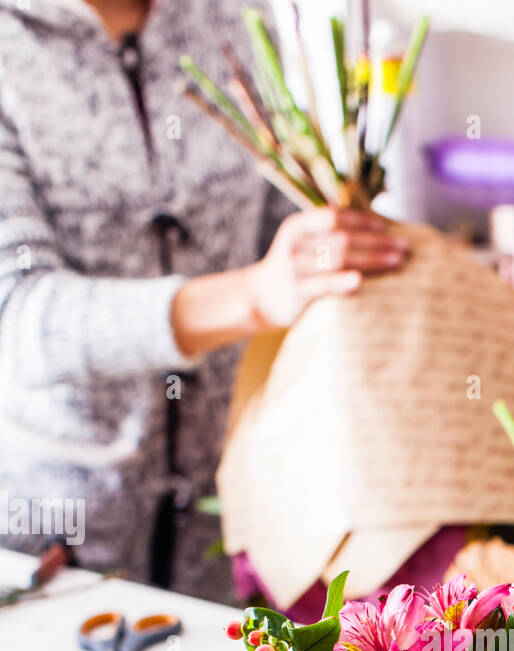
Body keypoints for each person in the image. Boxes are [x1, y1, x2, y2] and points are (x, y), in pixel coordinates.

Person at [0, 0, 408, 599]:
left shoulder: (234, 14)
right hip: (50, 544)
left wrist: (341, 234)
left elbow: (274, 220)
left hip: (222, 522)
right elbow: (19, 316)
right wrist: (254, 298)